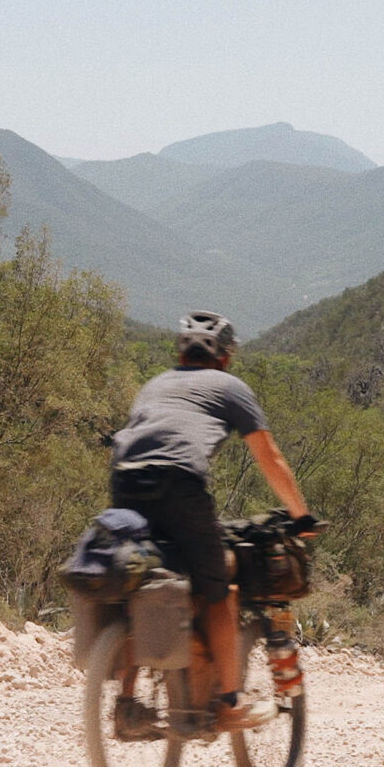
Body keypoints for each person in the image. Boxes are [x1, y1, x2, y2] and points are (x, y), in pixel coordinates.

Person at [109, 310, 314, 733]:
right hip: (179, 485)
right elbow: (270, 458)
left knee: (144, 578)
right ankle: (228, 704)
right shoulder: (230, 387)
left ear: (182, 353)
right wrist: (301, 515)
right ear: (224, 356)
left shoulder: (155, 384)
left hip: (125, 482)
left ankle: (127, 704)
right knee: (220, 590)